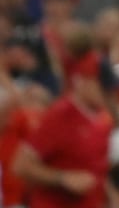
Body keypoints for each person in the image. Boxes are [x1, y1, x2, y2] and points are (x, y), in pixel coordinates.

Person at [12, 50, 113, 208]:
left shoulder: (103, 118)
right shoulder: (60, 116)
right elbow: (20, 166)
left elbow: (98, 172)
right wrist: (63, 178)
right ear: (84, 81)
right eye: (103, 86)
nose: (108, 93)